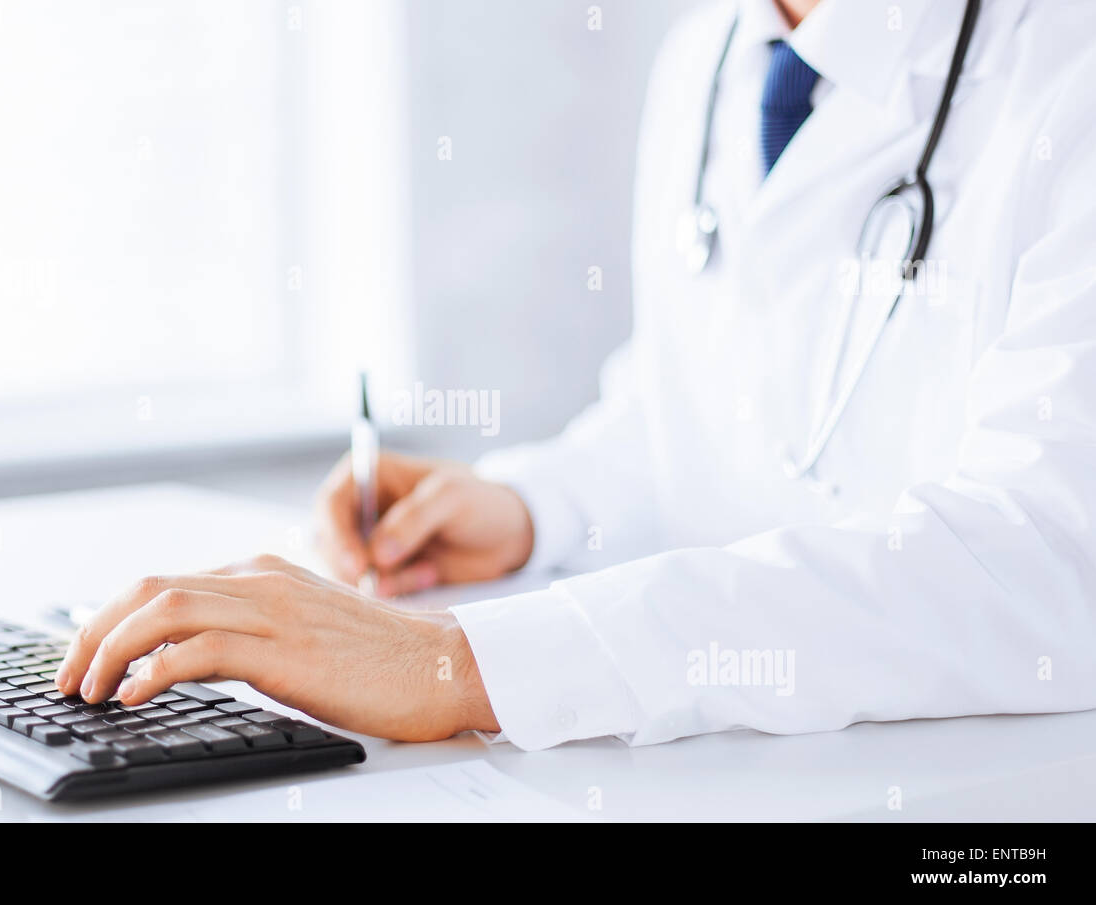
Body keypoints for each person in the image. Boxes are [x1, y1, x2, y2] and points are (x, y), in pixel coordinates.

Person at [56, 0, 1096, 750]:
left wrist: (465, 665)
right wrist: (530, 508)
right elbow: (687, 414)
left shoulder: (1068, 72)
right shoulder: (711, 55)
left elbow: (1045, 562)